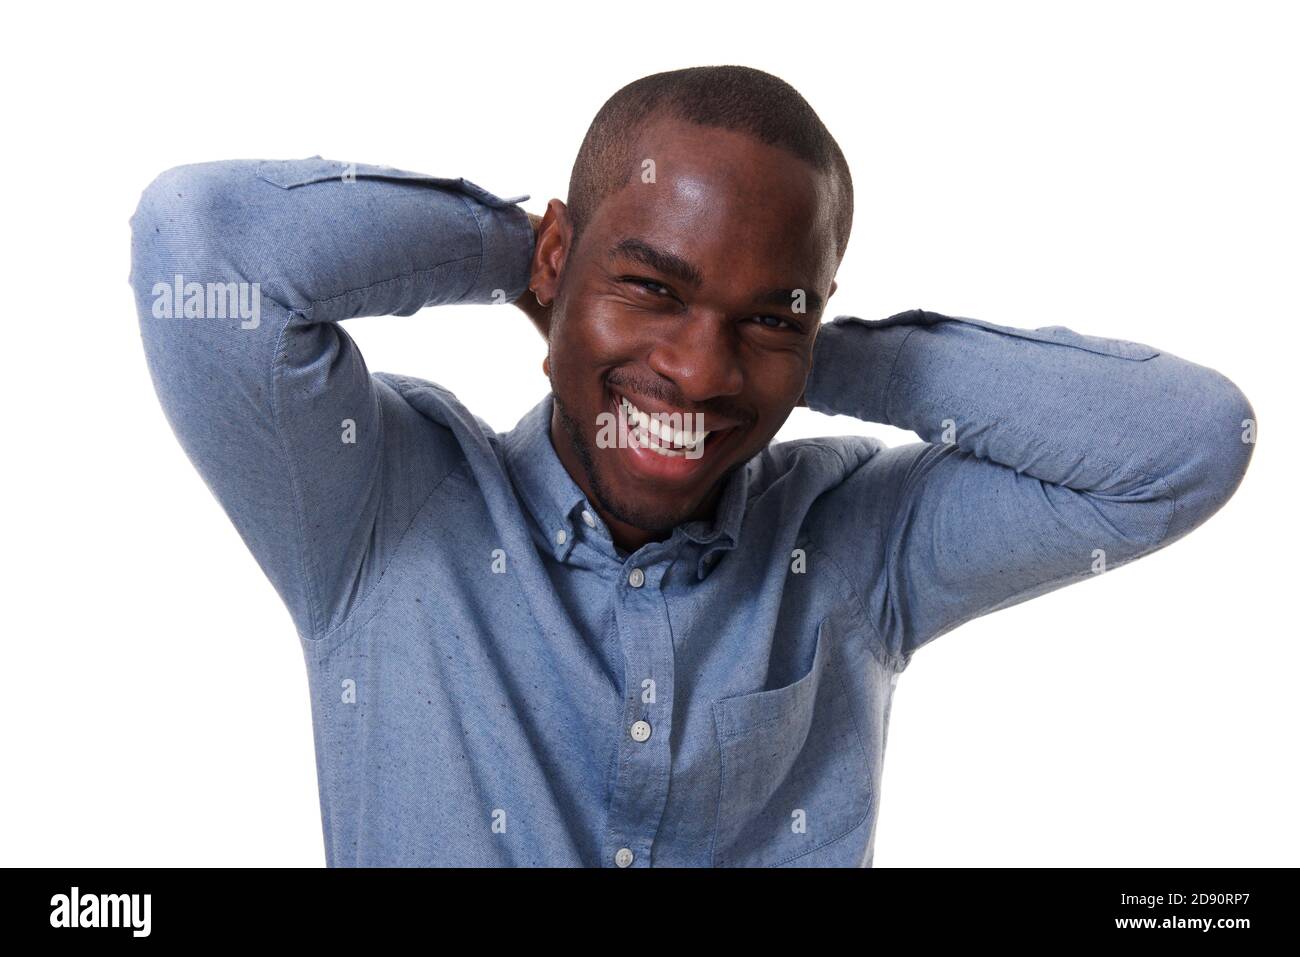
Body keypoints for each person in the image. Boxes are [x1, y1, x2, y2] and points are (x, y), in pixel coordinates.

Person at [128, 65, 1255, 867]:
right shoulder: (375, 508)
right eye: (653, 288)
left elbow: (1186, 444)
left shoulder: (856, 543)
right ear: (565, 258)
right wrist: (521, 256)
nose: (698, 370)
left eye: (766, 317)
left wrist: (815, 352)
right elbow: (200, 240)